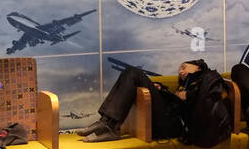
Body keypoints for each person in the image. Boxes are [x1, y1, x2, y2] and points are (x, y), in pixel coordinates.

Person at [77, 60, 205, 143]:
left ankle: (111, 126)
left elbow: (187, 105)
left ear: (198, 68)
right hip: (165, 116)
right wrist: (161, 89)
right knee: (128, 72)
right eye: (179, 69)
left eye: (184, 68)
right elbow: (176, 99)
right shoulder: (185, 83)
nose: (180, 71)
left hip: (172, 125)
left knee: (134, 72)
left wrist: (181, 94)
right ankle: (106, 122)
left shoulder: (203, 84)